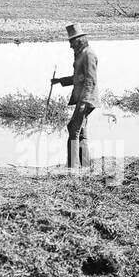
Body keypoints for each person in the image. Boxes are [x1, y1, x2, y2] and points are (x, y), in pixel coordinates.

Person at [53, 23, 99, 169]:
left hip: (86, 99)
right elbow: (77, 77)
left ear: (78, 41)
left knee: (73, 128)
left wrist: (84, 101)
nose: (70, 46)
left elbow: (90, 80)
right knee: (81, 129)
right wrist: (60, 81)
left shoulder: (89, 54)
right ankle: (84, 165)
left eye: (71, 42)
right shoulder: (82, 53)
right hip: (84, 98)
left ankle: (73, 167)